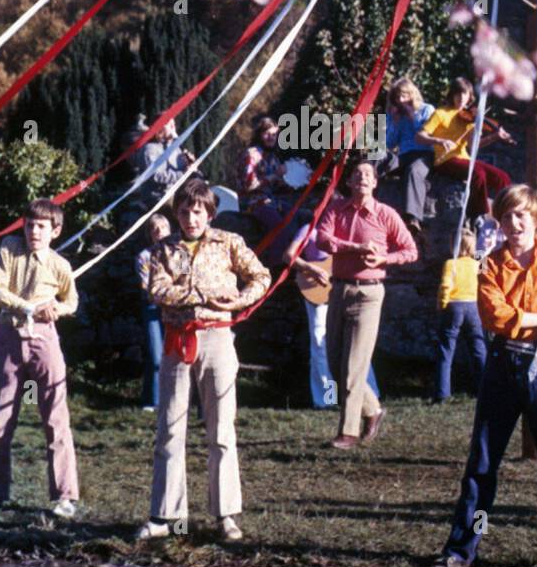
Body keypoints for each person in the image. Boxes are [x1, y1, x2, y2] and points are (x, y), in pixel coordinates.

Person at [434, 185, 537, 567]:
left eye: (522, 214)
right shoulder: (489, 265)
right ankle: (461, 551)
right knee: (482, 466)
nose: (514, 222)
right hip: (502, 367)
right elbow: (499, 318)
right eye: (507, 216)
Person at [137, 179, 271, 542]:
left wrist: (238, 300)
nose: (191, 219)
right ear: (176, 213)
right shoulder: (162, 250)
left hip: (218, 340)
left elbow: (261, 276)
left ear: (209, 213)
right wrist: (208, 292)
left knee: (222, 429)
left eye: (198, 212)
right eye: (184, 211)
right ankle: (165, 515)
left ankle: (226, 514)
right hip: (177, 343)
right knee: (169, 428)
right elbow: (157, 290)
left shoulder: (229, 243)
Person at [0, 199, 80, 518]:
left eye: (42, 226)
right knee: (1, 414)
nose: (34, 231)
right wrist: (29, 307)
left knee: (55, 417)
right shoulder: (9, 248)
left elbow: (72, 300)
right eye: (30, 224)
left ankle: (64, 496)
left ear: (55, 231)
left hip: (45, 339)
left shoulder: (60, 265)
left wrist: (57, 308)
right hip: (11, 335)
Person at [316, 158, 417, 449]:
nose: (362, 178)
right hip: (339, 290)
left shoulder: (386, 215)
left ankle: (347, 432)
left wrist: (385, 258)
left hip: (370, 294)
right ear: (348, 182)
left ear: (375, 183)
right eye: (356, 174)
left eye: (367, 175)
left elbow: (410, 250)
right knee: (336, 365)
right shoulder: (336, 209)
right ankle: (373, 410)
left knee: (354, 366)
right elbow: (323, 239)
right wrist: (354, 247)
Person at [282, 214, 381, 409]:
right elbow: (288, 255)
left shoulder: (348, 230)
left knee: (357, 342)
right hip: (318, 293)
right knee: (320, 345)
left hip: (347, 291)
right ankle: (328, 399)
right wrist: (310, 268)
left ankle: (368, 395)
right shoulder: (309, 229)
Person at [417, 77, 512, 222]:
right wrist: (440, 140)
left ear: (470, 96)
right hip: (445, 159)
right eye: (457, 94)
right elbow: (419, 136)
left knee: (502, 177)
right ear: (452, 95)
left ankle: (506, 213)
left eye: (465, 94)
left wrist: (495, 137)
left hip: (464, 159)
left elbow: (474, 146)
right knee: (477, 173)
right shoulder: (441, 113)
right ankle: (477, 215)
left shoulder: (469, 117)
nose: (461, 98)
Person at [380, 77, 436, 237]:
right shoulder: (396, 114)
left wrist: (413, 116)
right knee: (381, 158)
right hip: (404, 154)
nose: (400, 100)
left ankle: (412, 218)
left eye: (403, 96)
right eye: (397, 97)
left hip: (424, 153)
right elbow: (389, 143)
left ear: (411, 94)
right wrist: (394, 123)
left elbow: (428, 133)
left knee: (413, 171)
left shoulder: (427, 109)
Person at [435, 229, 486, 403]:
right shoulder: (479, 263)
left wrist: (442, 305)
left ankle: (442, 393)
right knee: (479, 348)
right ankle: (485, 388)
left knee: (446, 349)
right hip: (473, 305)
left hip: (454, 305)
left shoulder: (451, 263)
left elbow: (445, 286)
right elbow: (485, 283)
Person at [134, 214, 173, 412]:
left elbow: (185, 280)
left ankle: (175, 399)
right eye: (154, 229)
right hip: (152, 309)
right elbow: (146, 287)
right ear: (150, 234)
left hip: (176, 309)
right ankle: (152, 399)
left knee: (175, 355)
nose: (159, 232)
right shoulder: (143, 257)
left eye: (163, 228)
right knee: (155, 354)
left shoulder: (180, 254)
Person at [237, 115, 291, 233]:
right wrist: (273, 177)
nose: (271, 138)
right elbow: (249, 186)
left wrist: (290, 180)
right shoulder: (251, 155)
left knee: (297, 215)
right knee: (279, 226)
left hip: (272, 201)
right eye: (267, 134)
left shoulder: (273, 158)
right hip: (253, 203)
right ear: (259, 135)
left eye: (274, 134)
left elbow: (277, 186)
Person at [135, 116, 195, 207]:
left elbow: (183, 169)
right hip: (158, 197)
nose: (173, 128)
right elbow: (155, 176)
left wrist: (190, 164)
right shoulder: (150, 149)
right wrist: (183, 174)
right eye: (170, 125)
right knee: (185, 209)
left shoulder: (175, 146)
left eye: (173, 125)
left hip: (176, 193)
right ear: (160, 128)